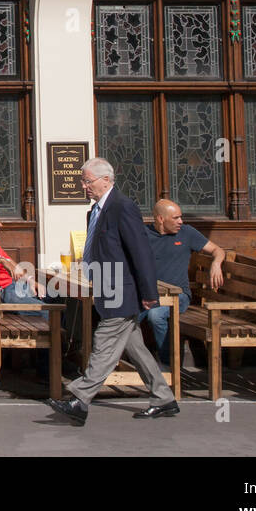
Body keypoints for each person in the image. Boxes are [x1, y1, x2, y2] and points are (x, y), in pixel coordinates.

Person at [46, 157, 179, 424]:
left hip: (123, 290)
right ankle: (163, 398)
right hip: (106, 286)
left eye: (87, 181)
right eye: (82, 181)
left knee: (104, 343)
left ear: (106, 180)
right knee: (136, 348)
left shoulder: (122, 207)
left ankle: (80, 399)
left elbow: (140, 251)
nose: (84, 186)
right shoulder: (94, 211)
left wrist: (149, 291)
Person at [137, 199, 225, 364]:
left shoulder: (187, 232)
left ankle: (168, 365)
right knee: (123, 318)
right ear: (160, 219)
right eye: (176, 218)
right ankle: (119, 365)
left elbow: (217, 250)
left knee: (156, 316)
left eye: (180, 217)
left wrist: (216, 263)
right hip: (149, 294)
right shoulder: (143, 234)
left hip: (179, 296)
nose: (180, 221)